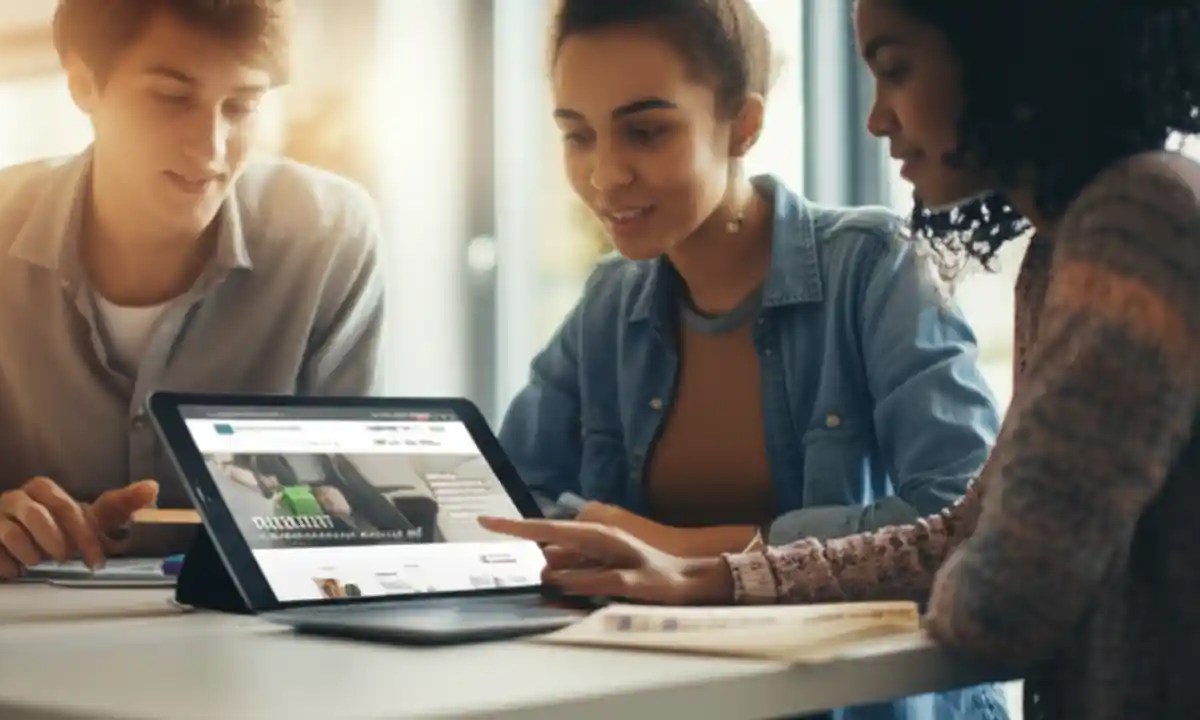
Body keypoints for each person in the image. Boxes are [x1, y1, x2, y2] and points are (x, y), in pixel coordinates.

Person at [483, 0, 1200, 717]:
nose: (876, 119)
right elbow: (962, 541)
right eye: (576, 135)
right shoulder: (1059, 250)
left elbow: (997, 592)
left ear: (1005, 59)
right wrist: (704, 573)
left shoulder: (1130, 221)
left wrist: (683, 551)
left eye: (896, 71)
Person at [0, 0, 384, 580]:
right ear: (83, 83)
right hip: (18, 615)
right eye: (171, 98)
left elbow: (347, 489)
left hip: (250, 620)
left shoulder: (329, 236)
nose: (210, 150)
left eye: (241, 106)